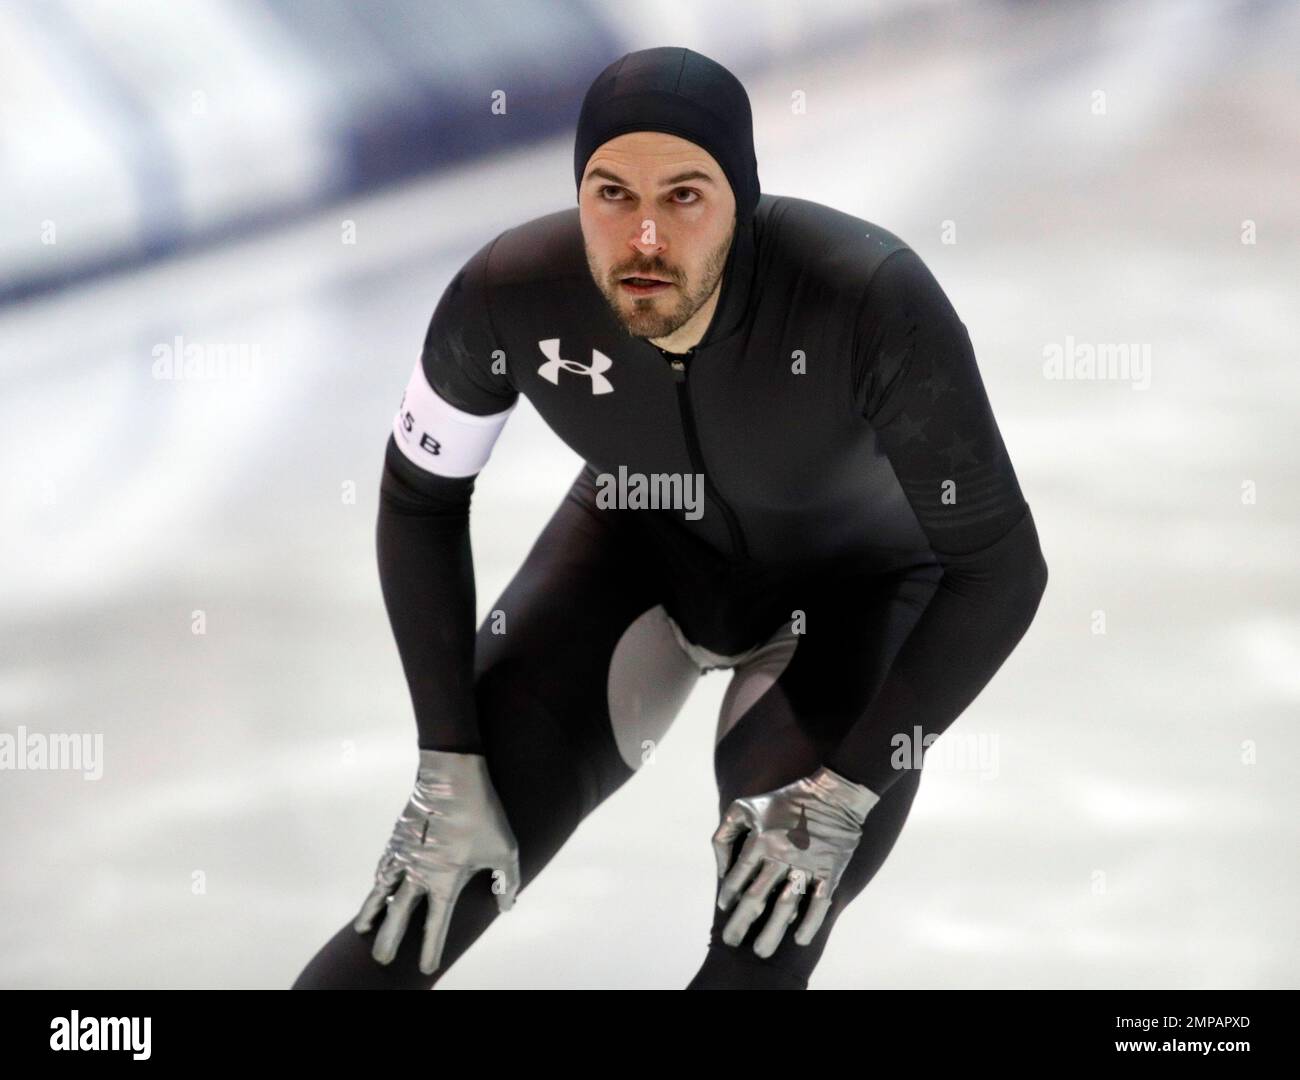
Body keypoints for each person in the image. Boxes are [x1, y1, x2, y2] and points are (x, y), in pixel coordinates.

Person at [292, 45, 1048, 991]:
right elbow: (419, 495)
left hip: (857, 598)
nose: (644, 237)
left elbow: (1003, 568)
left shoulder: (866, 300)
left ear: (745, 200)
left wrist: (849, 790)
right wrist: (448, 760)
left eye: (684, 196)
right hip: (632, 554)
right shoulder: (508, 297)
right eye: (612, 194)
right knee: (404, 926)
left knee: (757, 950)